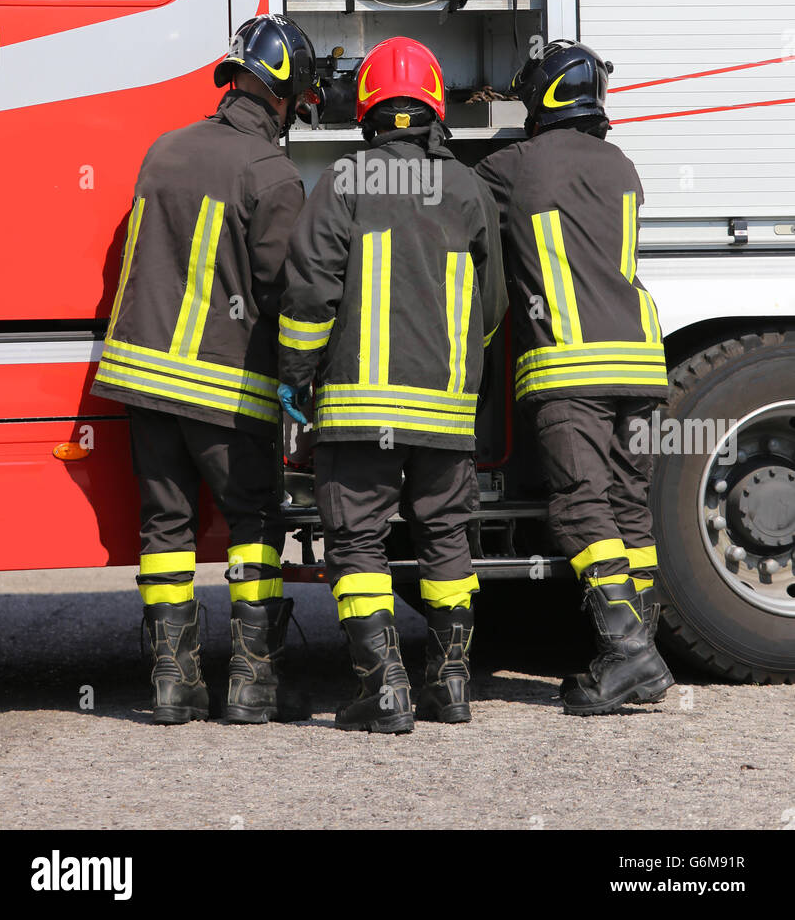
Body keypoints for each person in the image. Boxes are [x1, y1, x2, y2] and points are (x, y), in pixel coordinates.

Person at [91, 14, 316, 724]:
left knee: (166, 528)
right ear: (281, 94)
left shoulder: (165, 149)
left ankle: (172, 682)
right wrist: (304, 378)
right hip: (224, 389)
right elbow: (284, 292)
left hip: (140, 380)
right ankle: (252, 682)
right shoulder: (272, 174)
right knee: (254, 521)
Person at [277, 36, 507, 733]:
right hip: (446, 413)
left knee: (358, 542)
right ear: (435, 108)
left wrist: (295, 379)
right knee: (446, 538)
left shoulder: (343, 182)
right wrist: (459, 376)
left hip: (357, 412)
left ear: (366, 110)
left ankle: (382, 690)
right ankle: (451, 687)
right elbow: (492, 307)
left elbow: (309, 292)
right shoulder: (468, 187)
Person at [476, 39, 674, 716]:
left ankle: (628, 653)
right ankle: (634, 654)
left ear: (543, 98)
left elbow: (459, 198)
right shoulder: (623, 165)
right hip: (641, 361)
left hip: (571, 365)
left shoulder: (515, 165)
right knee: (628, 505)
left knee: (579, 505)